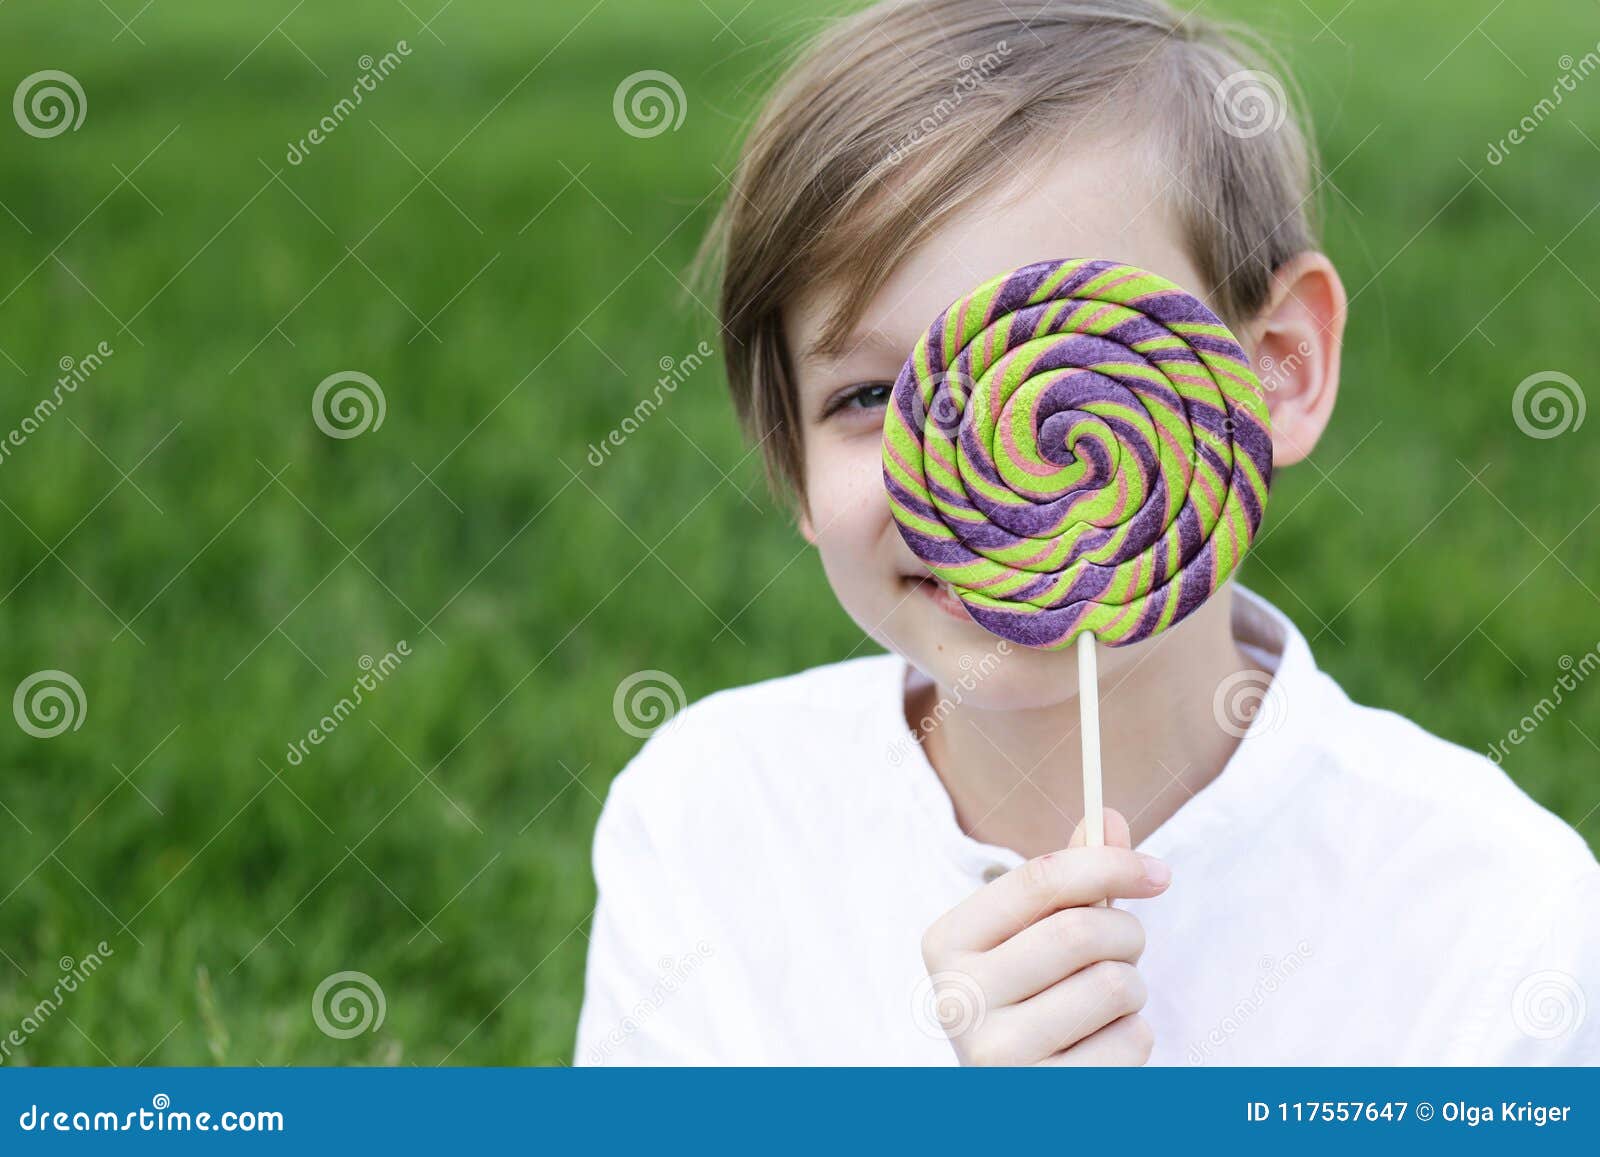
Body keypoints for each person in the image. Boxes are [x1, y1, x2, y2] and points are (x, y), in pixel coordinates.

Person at [575, 0, 1599, 1065]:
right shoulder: (710, 824)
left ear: (1277, 365)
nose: (980, 466)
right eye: (872, 394)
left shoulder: (1497, 917)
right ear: (789, 447)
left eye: (1068, 361)